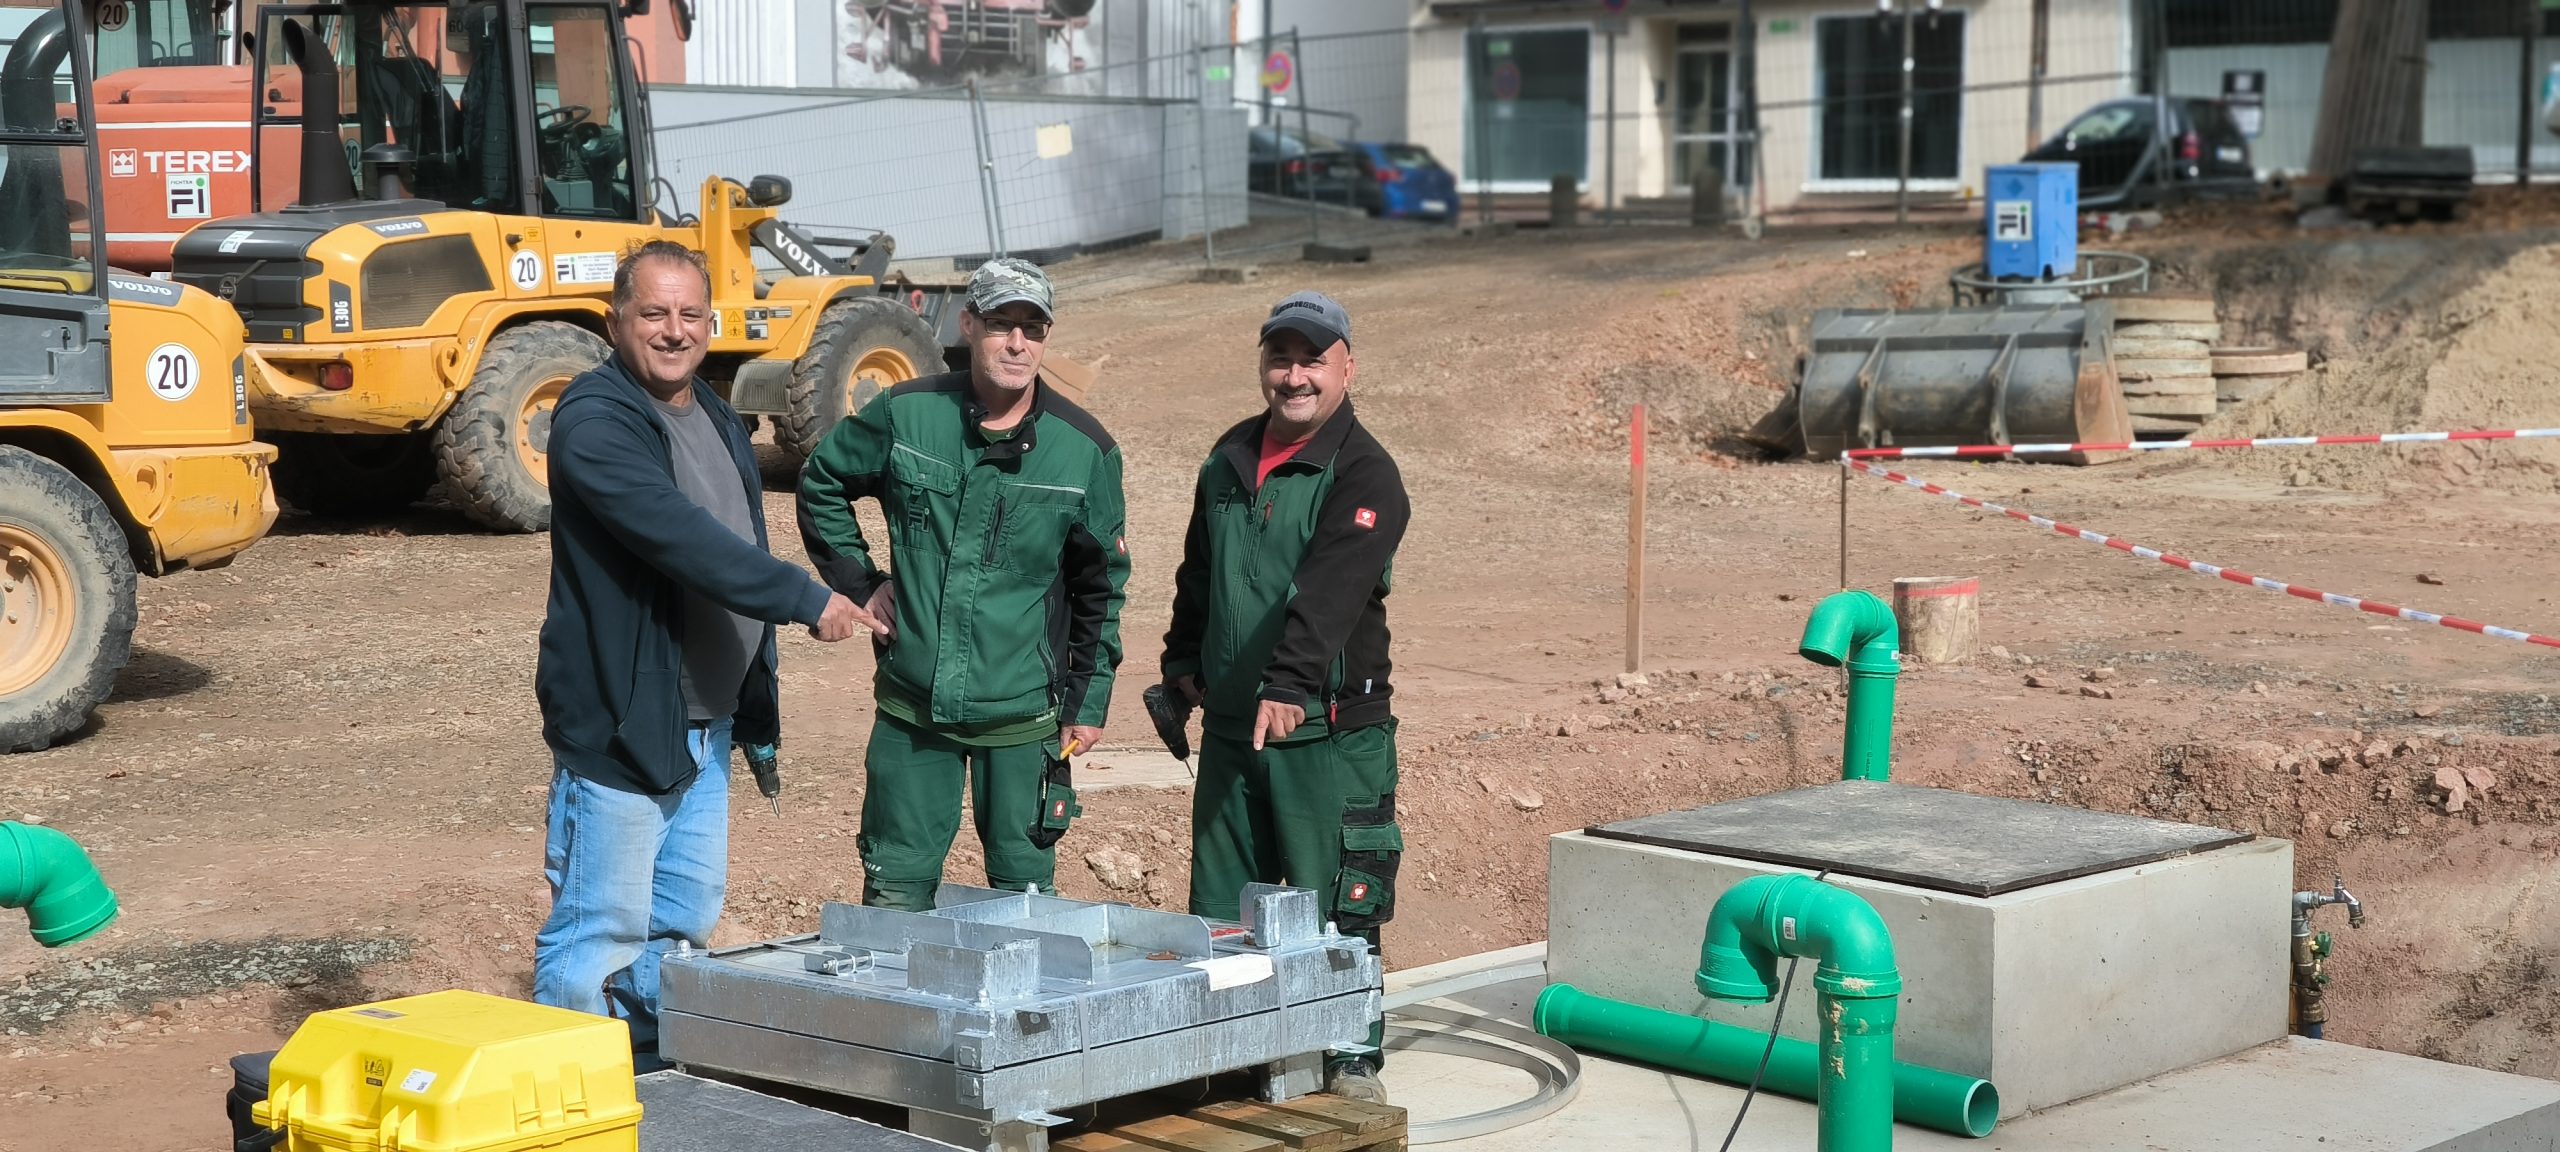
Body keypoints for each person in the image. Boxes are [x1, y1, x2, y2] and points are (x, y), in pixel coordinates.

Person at [532, 240, 863, 1064]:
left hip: (705, 725)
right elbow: (681, 537)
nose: (674, 330)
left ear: (711, 323)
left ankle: (647, 1087)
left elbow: (740, 530)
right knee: (597, 936)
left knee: (679, 932)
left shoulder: (710, 411)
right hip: (625, 725)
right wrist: (804, 598)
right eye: (654, 313)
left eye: (689, 314)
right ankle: (565, 1100)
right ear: (616, 319)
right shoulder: (594, 421)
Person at [798, 257, 1129, 912]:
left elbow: (1101, 588)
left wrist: (1086, 705)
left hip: (1024, 719)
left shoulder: (1084, 451)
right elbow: (822, 483)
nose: (1017, 343)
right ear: (968, 324)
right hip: (913, 711)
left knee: (1027, 902)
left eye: (1033, 328)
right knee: (894, 890)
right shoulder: (908, 414)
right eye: (1001, 323)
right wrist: (860, 582)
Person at [1162, 290, 1409, 1106]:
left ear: (1347, 368)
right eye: (1281, 358)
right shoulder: (1229, 457)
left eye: (1313, 359)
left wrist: (1291, 683)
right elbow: (1200, 573)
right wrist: (1183, 661)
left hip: (1326, 734)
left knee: (1338, 903)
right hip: (1237, 729)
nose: (1295, 375)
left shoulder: (1366, 473)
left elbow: (1332, 589)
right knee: (1225, 909)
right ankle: (1235, 1055)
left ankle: (1351, 1057)